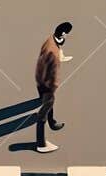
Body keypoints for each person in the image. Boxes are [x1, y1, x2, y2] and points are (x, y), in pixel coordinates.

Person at [34, 23, 71, 153]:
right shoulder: (53, 53)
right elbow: (53, 74)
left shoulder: (50, 40)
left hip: (40, 80)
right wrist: (53, 87)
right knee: (44, 111)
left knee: (48, 106)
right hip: (47, 84)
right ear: (63, 33)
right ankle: (41, 144)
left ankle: (52, 122)